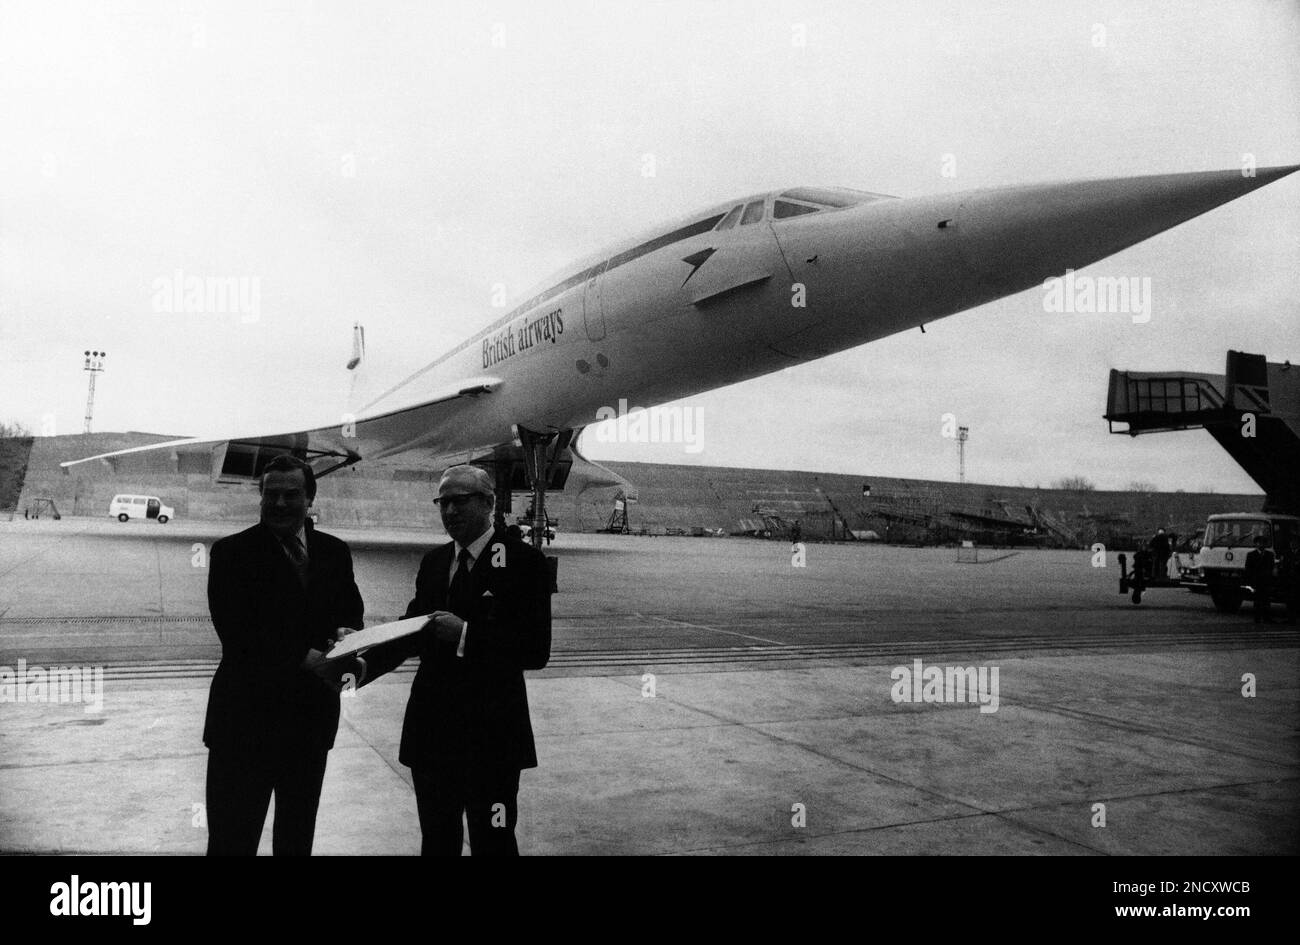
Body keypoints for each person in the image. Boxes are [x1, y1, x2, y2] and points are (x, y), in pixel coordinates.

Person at [359, 465, 551, 855]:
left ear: (489, 502)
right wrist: (360, 663)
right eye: (442, 502)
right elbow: (412, 629)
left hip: (492, 737)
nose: (449, 511)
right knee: (437, 840)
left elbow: (535, 649)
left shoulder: (525, 562)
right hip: (432, 734)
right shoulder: (434, 562)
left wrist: (466, 634)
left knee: (493, 839)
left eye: (459, 501)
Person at [203, 454, 365, 855]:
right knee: (231, 842)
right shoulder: (231, 553)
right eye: (270, 494)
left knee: (295, 841)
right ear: (260, 497)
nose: (279, 504)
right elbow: (238, 635)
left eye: (291, 494)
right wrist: (306, 657)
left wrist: (347, 635)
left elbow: (350, 613)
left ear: (310, 498)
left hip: (309, 724)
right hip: (243, 726)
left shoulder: (334, 552)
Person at [1244, 533, 1275, 624]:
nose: (1261, 544)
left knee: (1266, 600)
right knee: (1257, 600)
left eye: (1263, 543)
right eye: (1259, 543)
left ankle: (1267, 617)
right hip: (1256, 580)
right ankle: (1257, 618)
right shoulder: (1251, 554)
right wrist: (1250, 581)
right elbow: (1248, 568)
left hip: (1266, 580)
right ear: (1256, 544)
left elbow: (1271, 567)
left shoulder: (1270, 555)